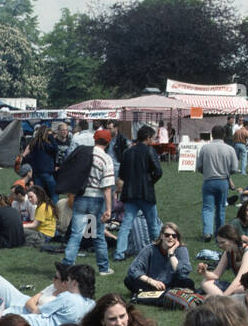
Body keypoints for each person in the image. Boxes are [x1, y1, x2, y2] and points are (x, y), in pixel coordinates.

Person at [0, 261, 95, 326]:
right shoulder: (90, 304)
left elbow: (38, 311)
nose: (66, 283)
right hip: (37, 323)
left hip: (35, 324)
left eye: (68, 280)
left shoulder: (67, 297)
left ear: (74, 283)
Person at [62, 129, 116, 275]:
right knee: (98, 235)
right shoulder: (106, 159)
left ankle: (67, 265)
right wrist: (109, 209)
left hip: (81, 197)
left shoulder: (84, 155)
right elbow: (107, 187)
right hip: (97, 200)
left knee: (76, 234)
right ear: (108, 142)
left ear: (94, 139)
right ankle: (104, 268)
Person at [114, 125, 164, 261]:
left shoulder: (127, 152)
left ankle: (119, 253)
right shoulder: (150, 150)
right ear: (148, 138)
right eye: (153, 138)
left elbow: (122, 174)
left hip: (130, 193)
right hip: (146, 193)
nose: (153, 140)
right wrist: (150, 182)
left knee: (126, 225)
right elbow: (158, 171)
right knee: (152, 224)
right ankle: (158, 251)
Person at [124, 223, 194, 298]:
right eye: (167, 235)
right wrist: (151, 281)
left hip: (172, 283)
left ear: (177, 238)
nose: (170, 238)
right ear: (161, 236)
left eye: (174, 236)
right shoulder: (150, 249)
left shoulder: (181, 250)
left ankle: (147, 294)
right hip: (152, 283)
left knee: (188, 283)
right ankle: (164, 295)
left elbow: (182, 273)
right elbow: (133, 269)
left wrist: (171, 253)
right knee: (129, 280)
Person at [199, 223, 248, 296]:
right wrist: (205, 273)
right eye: (218, 243)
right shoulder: (228, 253)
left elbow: (239, 280)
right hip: (242, 287)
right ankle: (226, 301)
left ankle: (224, 301)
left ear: (233, 240)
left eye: (222, 242)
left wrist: (225, 296)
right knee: (206, 282)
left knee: (238, 289)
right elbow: (216, 275)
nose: (220, 246)